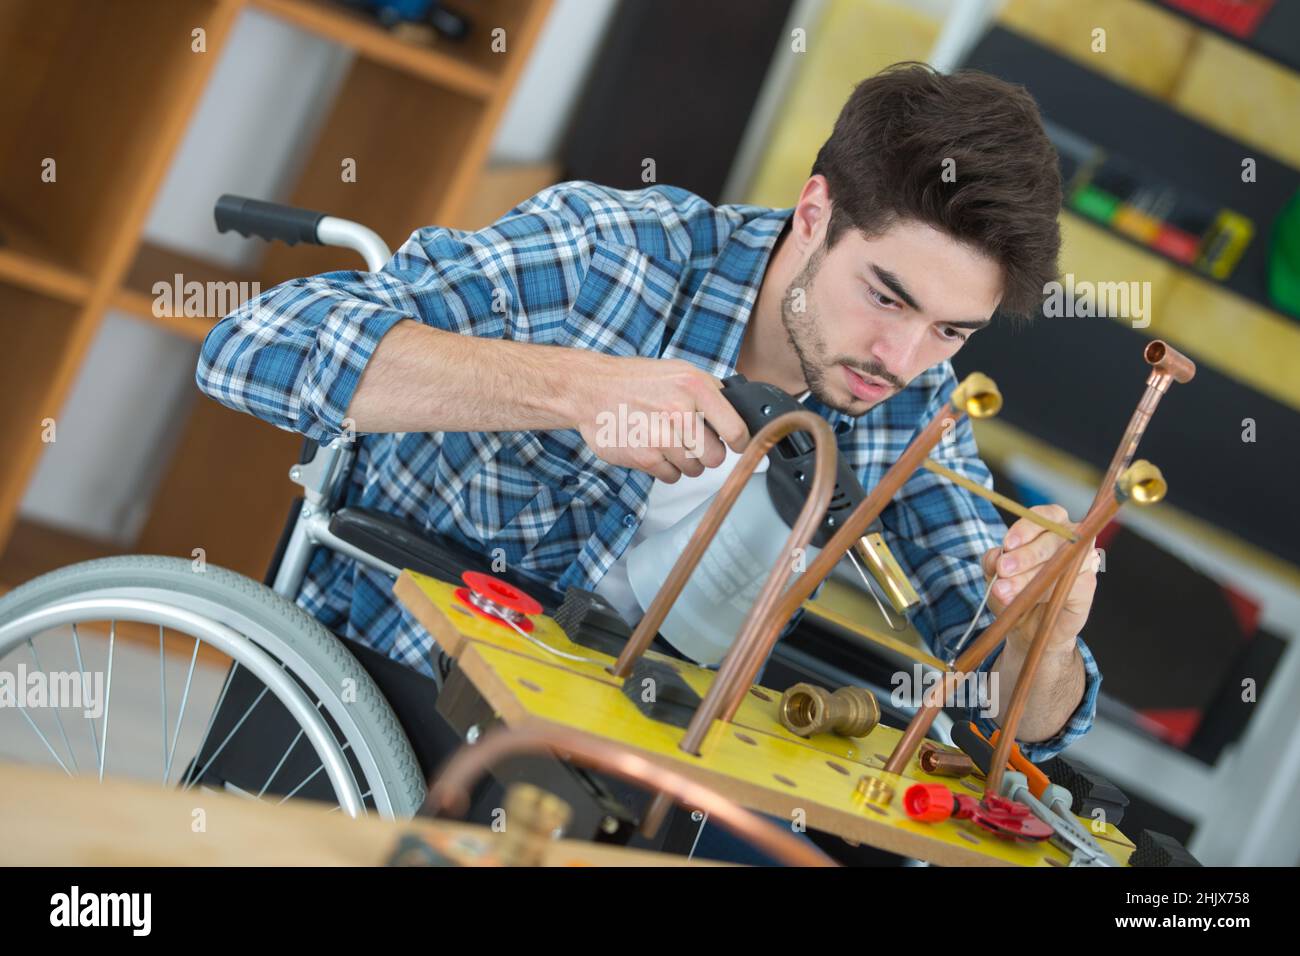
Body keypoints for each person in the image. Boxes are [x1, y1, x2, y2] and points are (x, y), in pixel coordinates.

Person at [196, 63, 1100, 769]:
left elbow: (1010, 712)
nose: (900, 360)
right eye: (887, 298)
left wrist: (1043, 636)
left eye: (951, 331)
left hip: (607, 747)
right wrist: (577, 388)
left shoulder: (912, 409)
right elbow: (251, 347)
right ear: (816, 212)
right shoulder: (617, 255)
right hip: (379, 686)